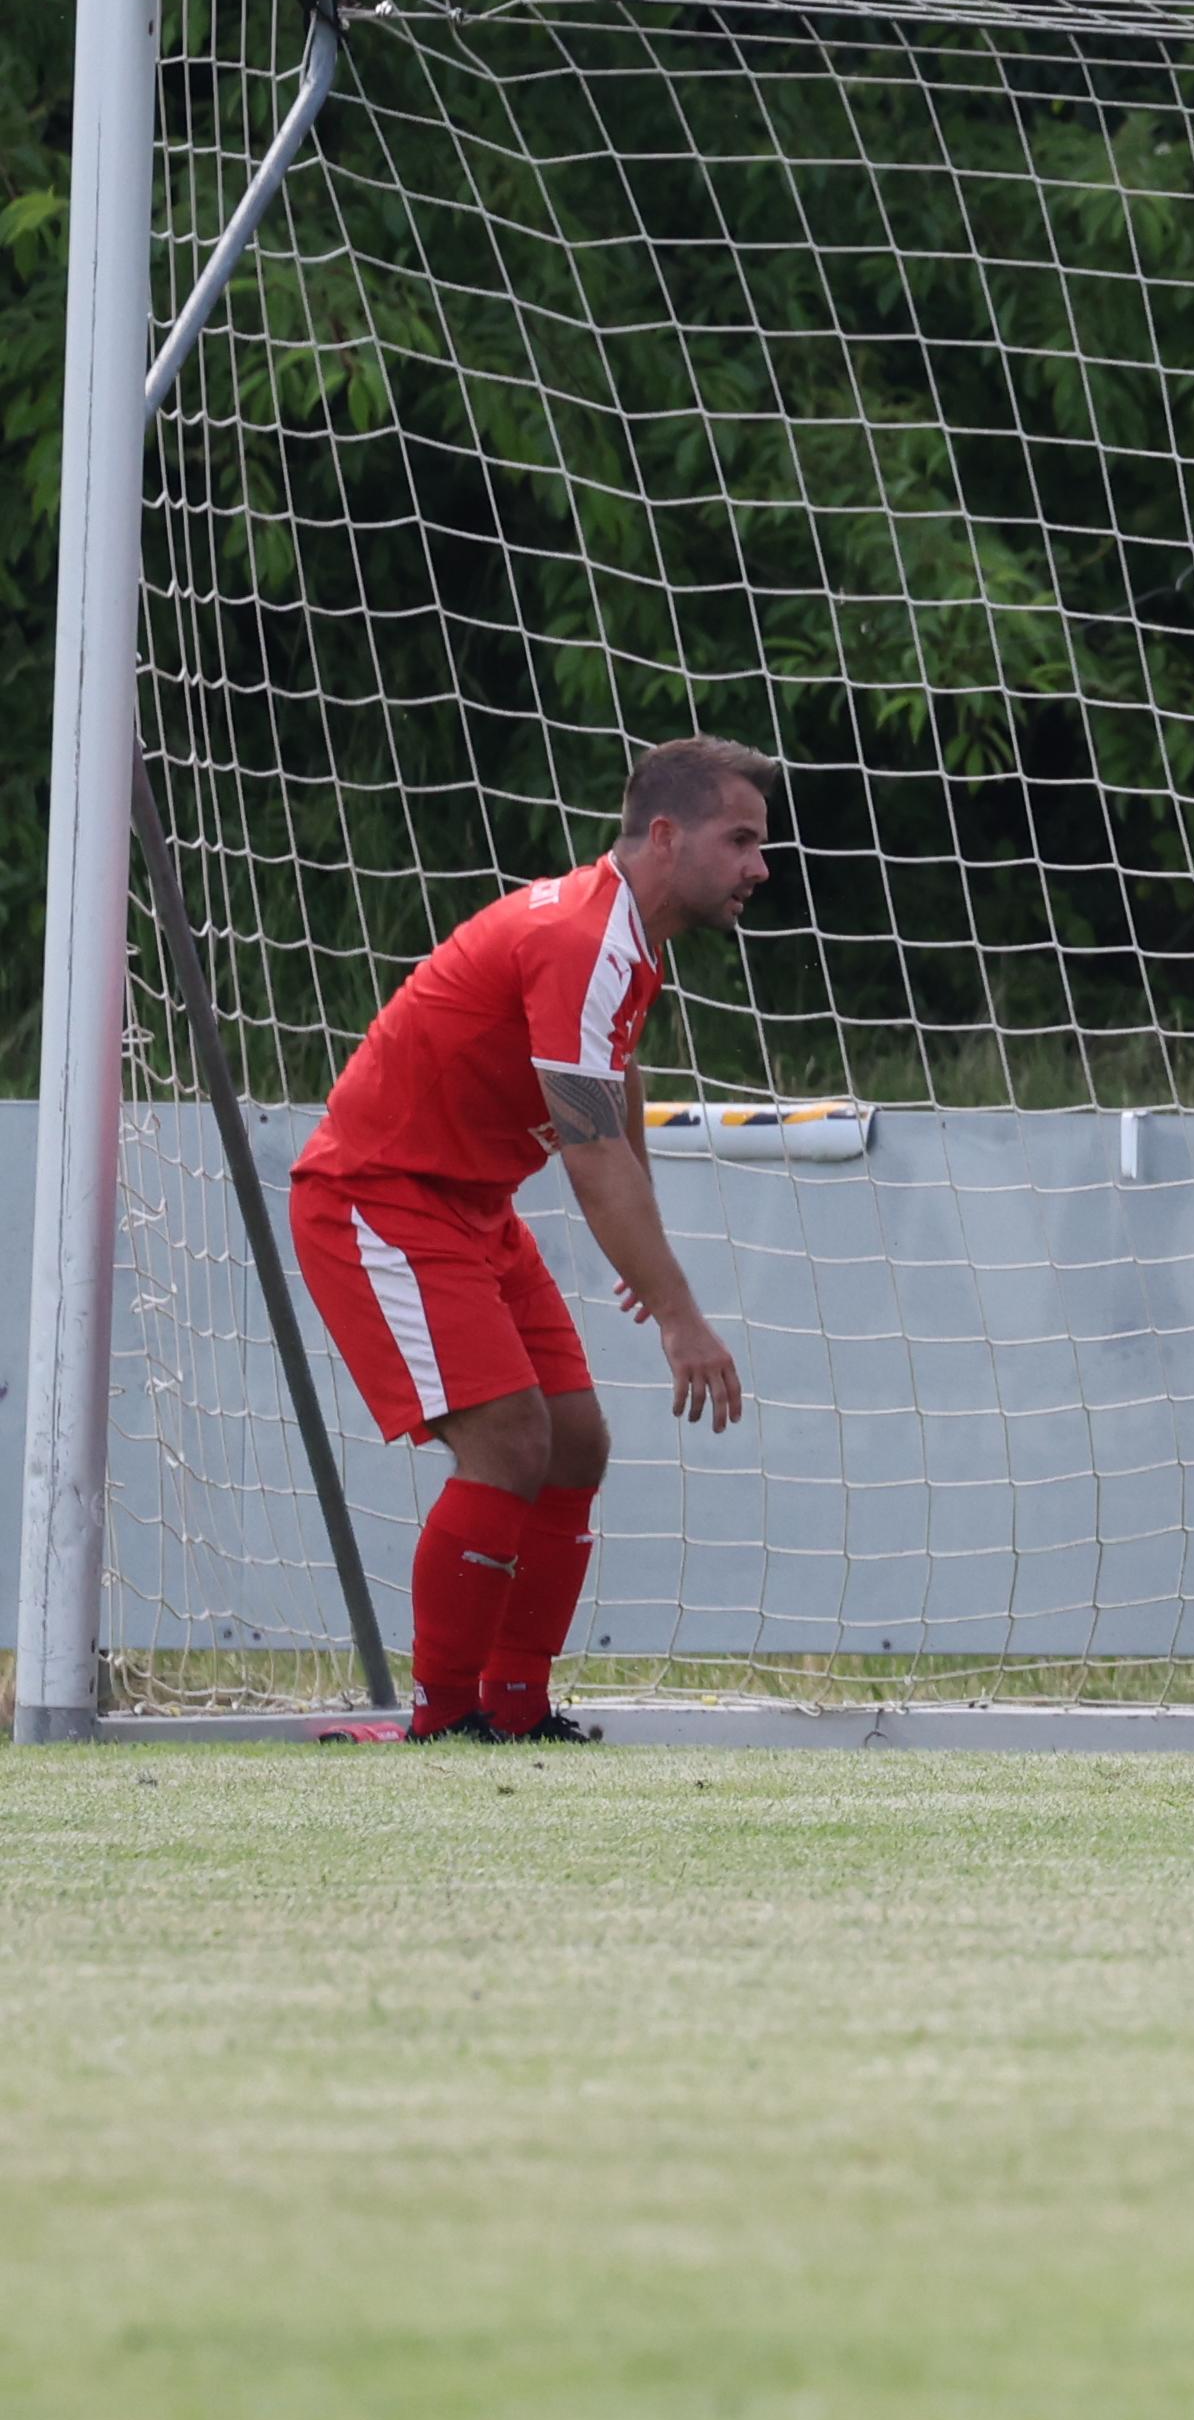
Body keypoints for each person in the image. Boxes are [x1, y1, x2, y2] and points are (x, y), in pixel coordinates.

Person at [290, 738, 779, 1742]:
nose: (760, 866)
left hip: (472, 1206)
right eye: (741, 840)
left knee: (575, 1444)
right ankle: (442, 1721)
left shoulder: (625, 938)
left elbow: (615, 1079)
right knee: (511, 1442)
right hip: (380, 1196)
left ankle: (514, 1710)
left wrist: (645, 1229)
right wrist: (679, 1315)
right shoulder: (582, 937)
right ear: (664, 834)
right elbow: (590, 1154)